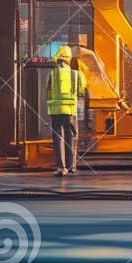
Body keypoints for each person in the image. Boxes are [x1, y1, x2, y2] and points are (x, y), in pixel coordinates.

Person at [47, 45, 87, 176]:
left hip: (55, 110)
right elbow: (82, 92)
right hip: (70, 111)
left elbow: (47, 92)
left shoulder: (52, 74)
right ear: (69, 59)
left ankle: (61, 167)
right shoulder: (76, 75)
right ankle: (71, 166)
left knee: (58, 137)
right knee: (71, 137)